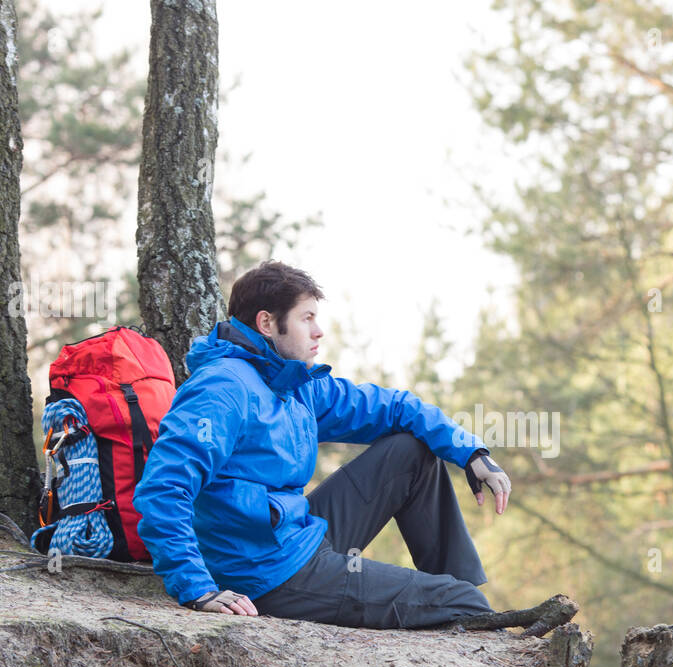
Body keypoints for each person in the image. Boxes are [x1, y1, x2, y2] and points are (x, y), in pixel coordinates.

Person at [134, 260, 511, 629]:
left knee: (411, 453)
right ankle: (469, 609)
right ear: (267, 323)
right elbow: (163, 489)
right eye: (306, 318)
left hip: (298, 534)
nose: (319, 332)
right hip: (266, 573)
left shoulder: (293, 383)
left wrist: (472, 453)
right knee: (462, 603)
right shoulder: (222, 389)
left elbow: (394, 407)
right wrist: (197, 590)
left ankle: (465, 596)